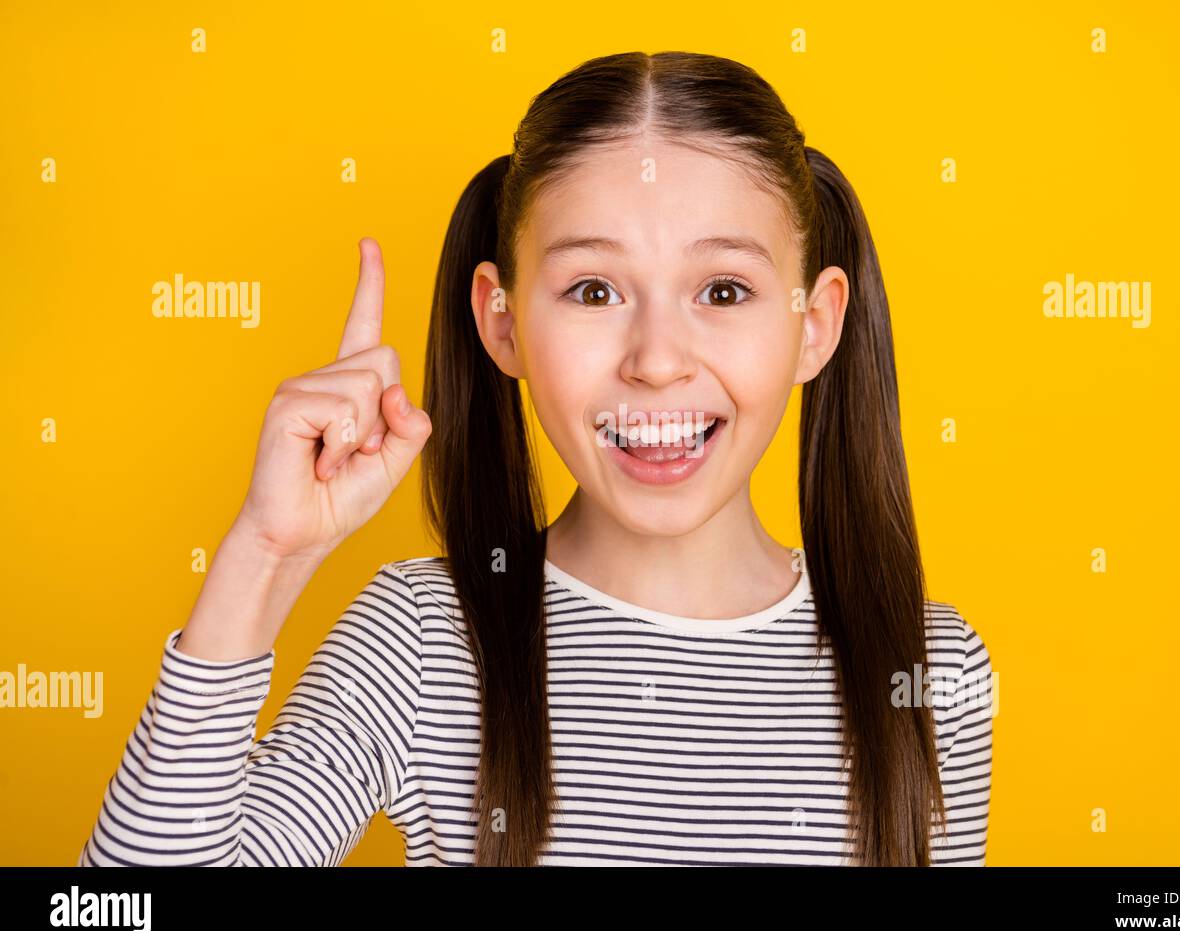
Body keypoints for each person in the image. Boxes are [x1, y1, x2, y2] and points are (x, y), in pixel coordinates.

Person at [77, 50, 993, 867]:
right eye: (593, 290)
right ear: (502, 320)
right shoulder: (426, 644)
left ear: (815, 325)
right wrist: (267, 554)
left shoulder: (929, 670)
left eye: (723, 289)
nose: (658, 358)